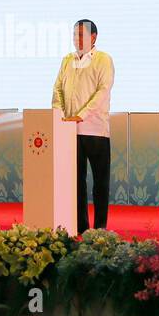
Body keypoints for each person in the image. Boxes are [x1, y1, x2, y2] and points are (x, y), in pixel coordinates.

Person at [51, 19, 114, 233]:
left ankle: (100, 228)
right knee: (76, 182)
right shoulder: (67, 60)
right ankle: (80, 226)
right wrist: (59, 114)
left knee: (100, 182)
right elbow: (58, 88)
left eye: (81, 35)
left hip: (95, 129)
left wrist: (81, 115)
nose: (77, 39)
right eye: (74, 34)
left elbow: (102, 91)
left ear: (93, 37)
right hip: (68, 130)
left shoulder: (103, 59)